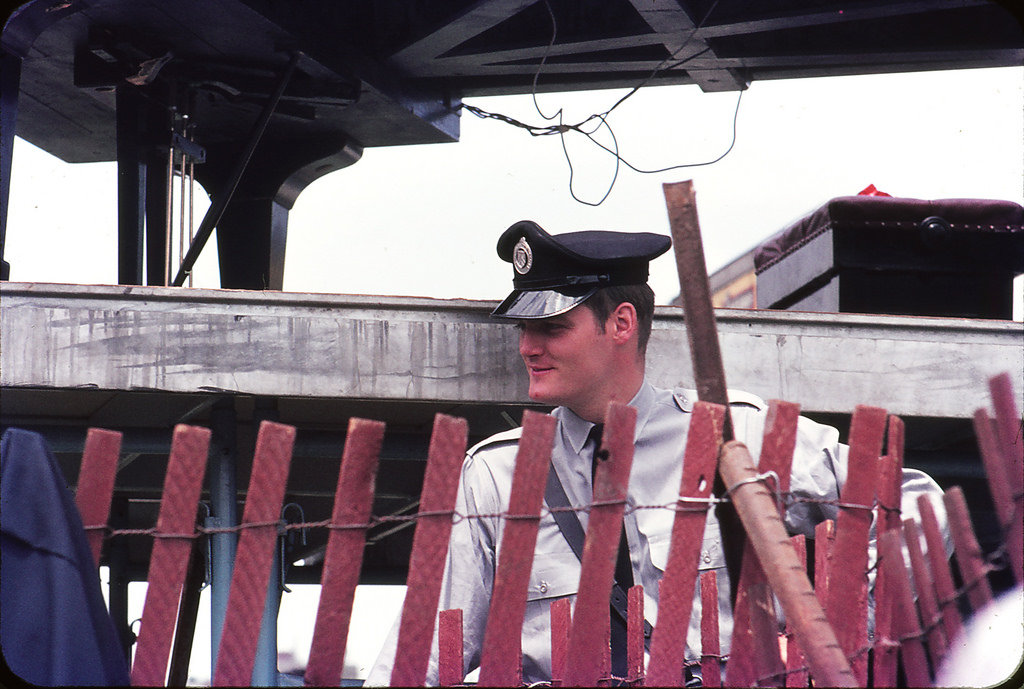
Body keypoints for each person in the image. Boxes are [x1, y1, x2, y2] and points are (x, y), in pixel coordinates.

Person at [366, 220, 947, 686]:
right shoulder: (497, 474)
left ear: (620, 323)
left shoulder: (733, 438)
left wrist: (839, 621)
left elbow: (924, 507)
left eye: (552, 327)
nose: (527, 347)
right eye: (523, 328)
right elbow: (416, 659)